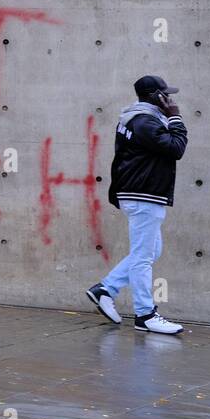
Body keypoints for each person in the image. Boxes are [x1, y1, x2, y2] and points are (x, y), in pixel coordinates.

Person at [86, 76, 186, 334]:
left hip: (139, 192)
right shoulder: (144, 122)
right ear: (156, 96)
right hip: (143, 194)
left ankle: (106, 288)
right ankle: (146, 315)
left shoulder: (138, 118)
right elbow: (176, 147)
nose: (171, 100)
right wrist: (175, 117)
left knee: (151, 251)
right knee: (143, 257)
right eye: (166, 95)